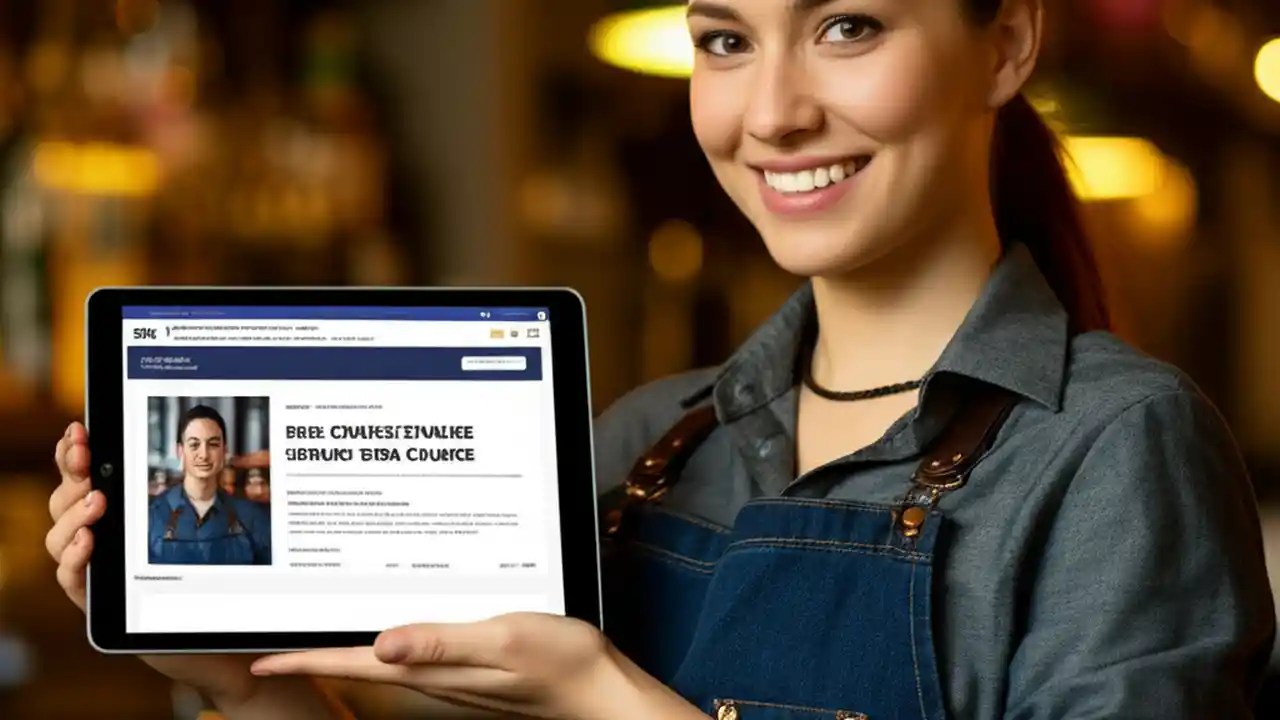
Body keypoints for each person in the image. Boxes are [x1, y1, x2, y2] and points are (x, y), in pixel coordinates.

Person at [44, 0, 1276, 717]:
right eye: (724, 41)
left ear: (1003, 44)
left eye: (845, 27)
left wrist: (607, 699)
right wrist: (238, 680)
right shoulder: (644, 443)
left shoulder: (1112, 446)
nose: (771, 113)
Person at [147, 405, 271, 566]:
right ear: (180, 451)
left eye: (213, 444)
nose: (204, 455)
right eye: (194, 445)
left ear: (224, 451)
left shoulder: (252, 517)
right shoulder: (151, 515)